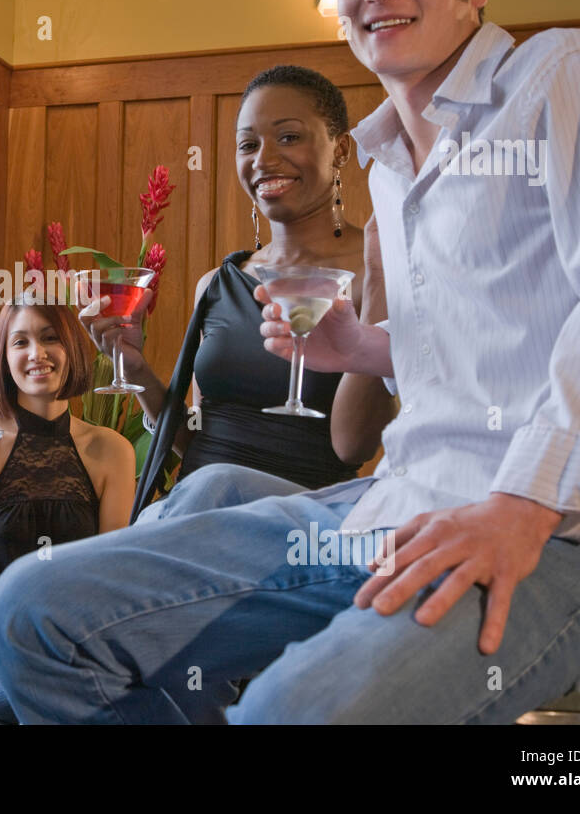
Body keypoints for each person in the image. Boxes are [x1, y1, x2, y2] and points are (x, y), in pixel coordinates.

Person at [0, 0, 580, 723]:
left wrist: (518, 505)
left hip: (579, 543)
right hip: (392, 506)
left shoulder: (569, 75)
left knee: (293, 709)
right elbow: (487, 352)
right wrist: (364, 349)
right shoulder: (391, 165)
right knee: (29, 612)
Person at [79, 66, 395, 519]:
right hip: (195, 512)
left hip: (298, 528)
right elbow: (195, 438)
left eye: (288, 137)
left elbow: (352, 447)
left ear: (340, 148)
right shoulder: (216, 284)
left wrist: (382, 281)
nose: (263, 159)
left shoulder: (373, 276)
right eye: (248, 145)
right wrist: (134, 367)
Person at [0, 298, 135, 722]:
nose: (36, 353)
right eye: (19, 342)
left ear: (72, 349)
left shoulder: (111, 450)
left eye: (49, 338)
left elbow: (111, 586)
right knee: (63, 687)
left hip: (73, 660)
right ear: (4, 359)